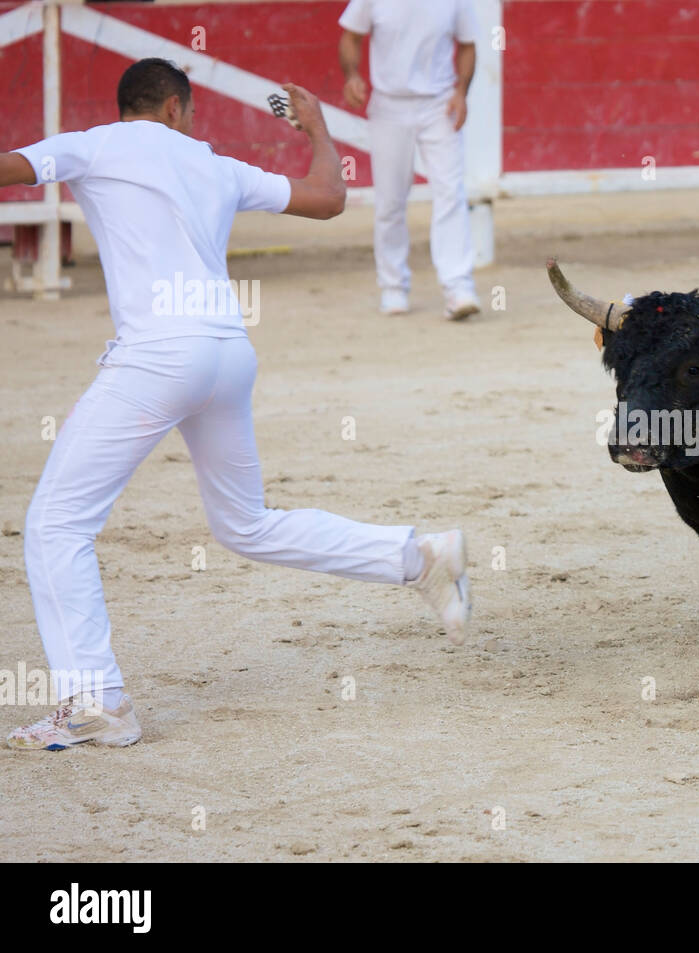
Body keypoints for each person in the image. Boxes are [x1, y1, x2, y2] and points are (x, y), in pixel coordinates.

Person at [0, 59, 471, 752]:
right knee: (245, 523)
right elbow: (327, 198)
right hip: (225, 352)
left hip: (158, 357)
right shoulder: (215, 164)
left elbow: (10, 167)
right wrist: (318, 129)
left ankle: (97, 702)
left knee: (55, 523)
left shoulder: (95, 142)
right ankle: (418, 557)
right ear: (174, 109)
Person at [339, 0, 481, 319]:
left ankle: (459, 287)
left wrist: (461, 92)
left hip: (440, 103)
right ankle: (393, 287)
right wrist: (352, 75)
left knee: (450, 192)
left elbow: (468, 45)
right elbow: (350, 36)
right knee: (390, 200)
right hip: (389, 105)